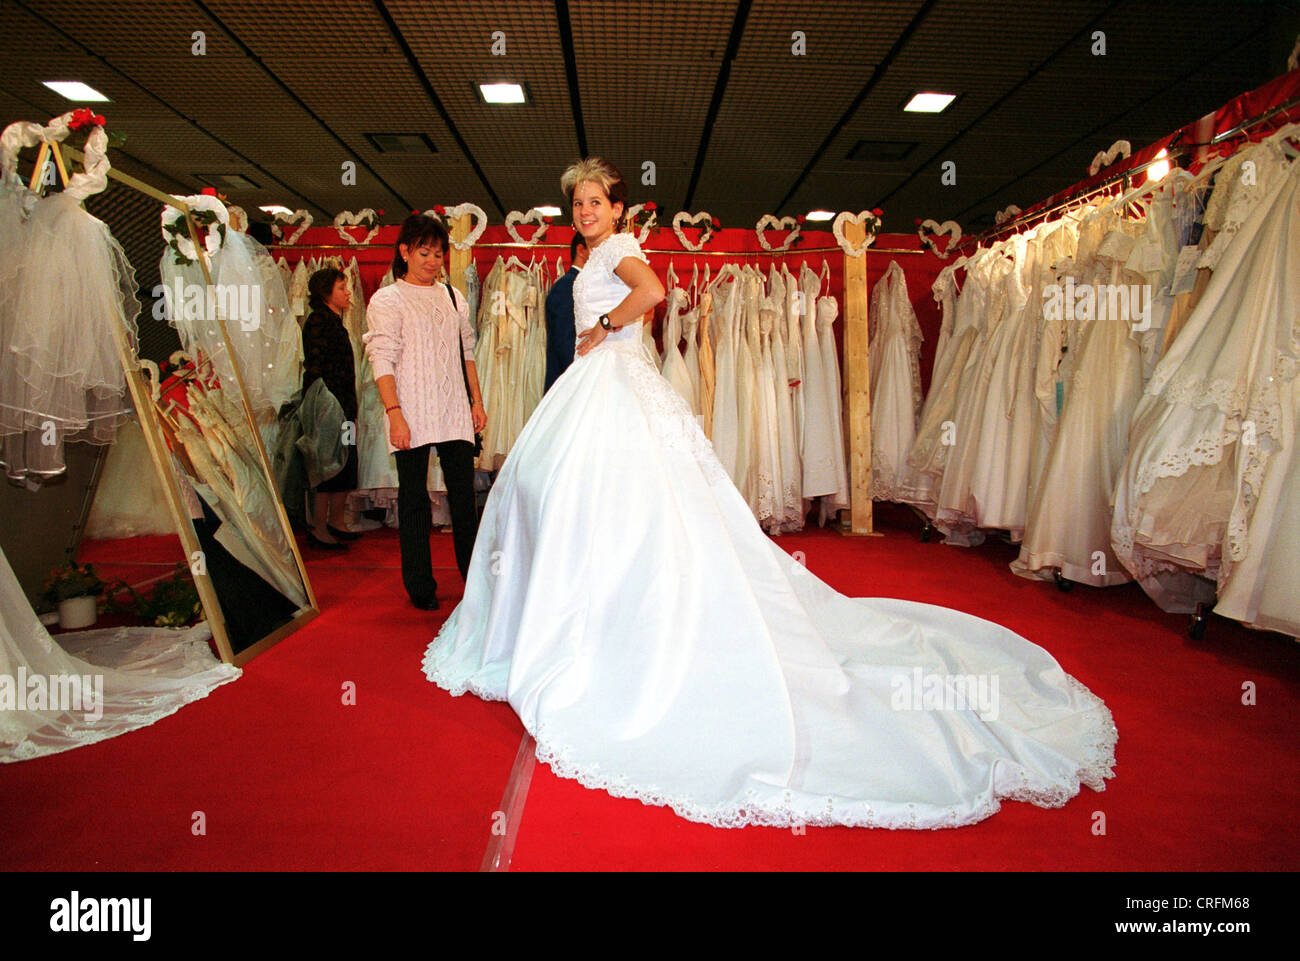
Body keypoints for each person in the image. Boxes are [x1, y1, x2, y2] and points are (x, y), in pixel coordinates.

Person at [422, 157, 1117, 830]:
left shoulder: (619, 250)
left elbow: (655, 292)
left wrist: (604, 327)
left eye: (595, 201)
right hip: (603, 388)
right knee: (595, 501)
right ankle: (594, 614)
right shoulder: (596, 255)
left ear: (618, 209)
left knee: (618, 502)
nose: (585, 211)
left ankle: (605, 626)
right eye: (577, 203)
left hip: (613, 381)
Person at [363, 215, 486, 611]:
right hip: (410, 409)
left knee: (464, 498)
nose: (433, 261)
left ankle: (475, 579)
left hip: (453, 410)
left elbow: (466, 353)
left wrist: (477, 402)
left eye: (438, 253)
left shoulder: (454, 297)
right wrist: (394, 412)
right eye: (424, 252)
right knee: (414, 499)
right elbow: (381, 358)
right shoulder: (387, 299)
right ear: (404, 252)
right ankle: (420, 586)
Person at [301, 267, 359, 550]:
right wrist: (330, 404)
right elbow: (317, 368)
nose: (348, 292)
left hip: (344, 404)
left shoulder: (335, 321)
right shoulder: (317, 322)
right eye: (341, 287)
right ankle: (319, 526)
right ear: (326, 292)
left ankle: (337, 520)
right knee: (326, 462)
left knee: (346, 459)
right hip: (328, 404)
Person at [543, 232, 588, 392]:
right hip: (570, 384)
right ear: (581, 250)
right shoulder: (566, 286)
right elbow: (564, 342)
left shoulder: (585, 285)